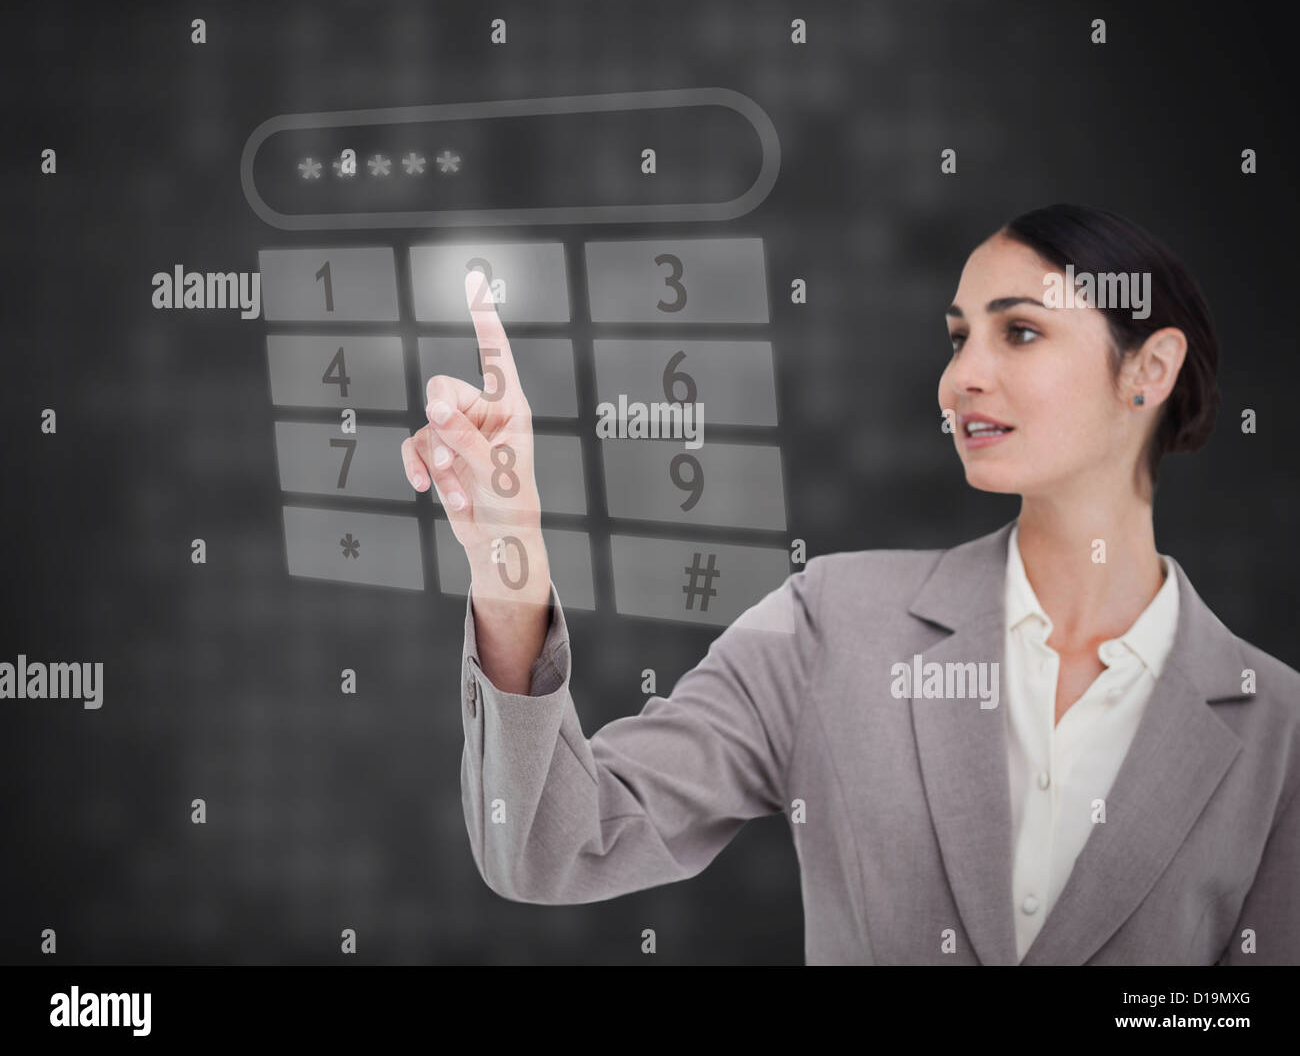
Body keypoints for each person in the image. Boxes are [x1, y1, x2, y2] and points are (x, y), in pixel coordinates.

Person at [399, 204, 1300, 965]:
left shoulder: (1279, 729)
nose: (959, 377)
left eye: (1019, 330)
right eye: (958, 338)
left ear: (1149, 369)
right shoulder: (827, 622)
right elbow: (553, 844)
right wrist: (507, 554)